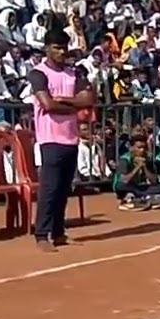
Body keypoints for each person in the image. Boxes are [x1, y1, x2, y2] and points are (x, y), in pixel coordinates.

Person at [26, 28, 95, 252]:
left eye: (64, 47)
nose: (61, 52)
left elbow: (89, 99)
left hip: (70, 138)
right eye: (56, 47)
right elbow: (47, 104)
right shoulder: (38, 73)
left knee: (64, 188)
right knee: (50, 188)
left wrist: (65, 101)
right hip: (50, 138)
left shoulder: (73, 72)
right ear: (47, 48)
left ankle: (57, 231)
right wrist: (74, 103)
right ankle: (41, 234)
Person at [113, 135, 160, 210]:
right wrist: (138, 167)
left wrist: (144, 167)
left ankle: (142, 198)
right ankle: (150, 197)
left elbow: (154, 181)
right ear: (131, 148)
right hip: (127, 187)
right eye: (139, 148)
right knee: (121, 186)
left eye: (144, 147)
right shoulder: (125, 160)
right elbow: (124, 180)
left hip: (141, 188)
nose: (142, 150)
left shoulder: (147, 159)